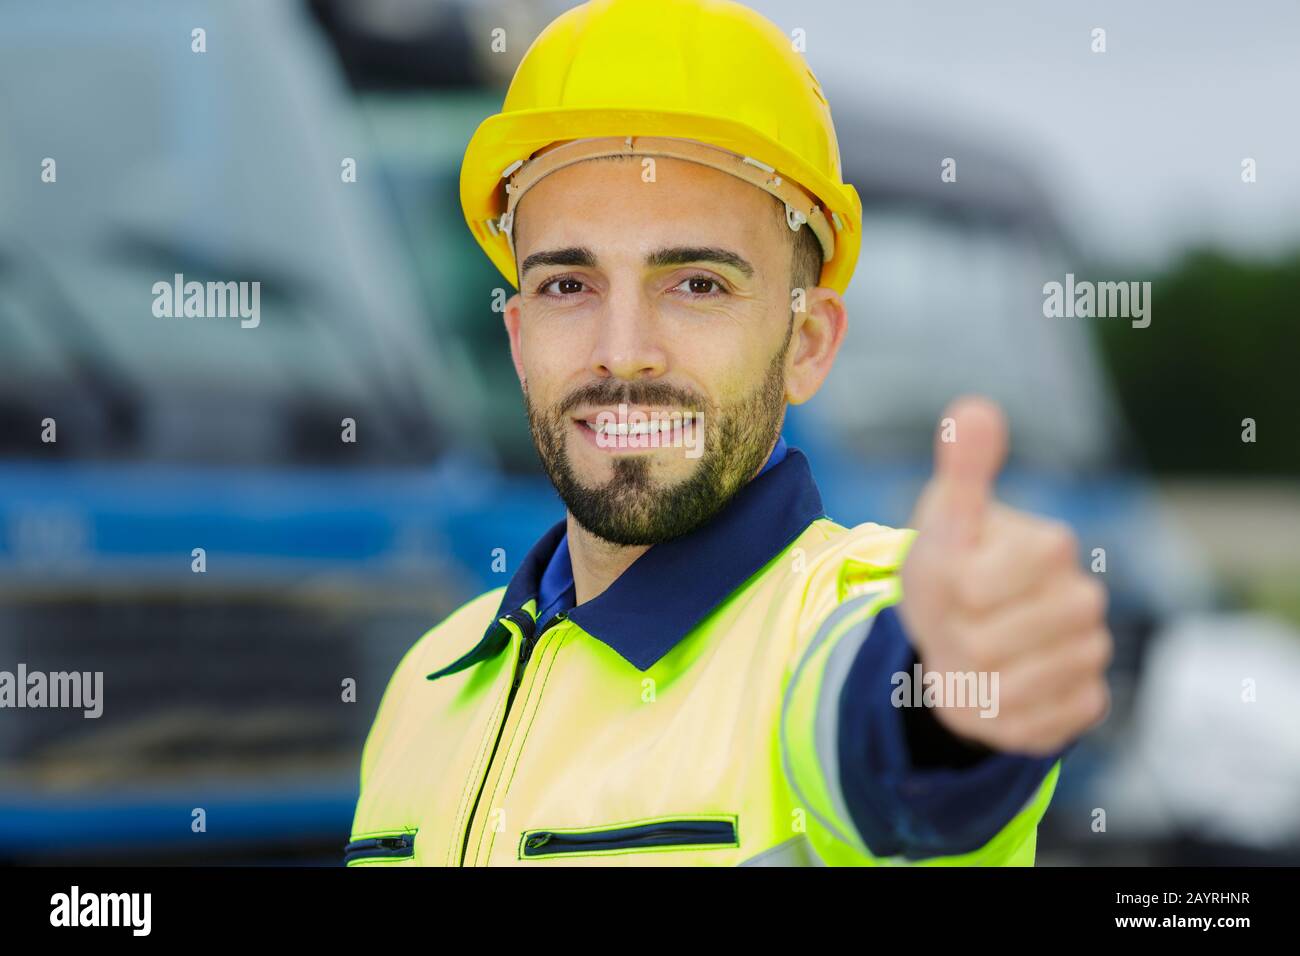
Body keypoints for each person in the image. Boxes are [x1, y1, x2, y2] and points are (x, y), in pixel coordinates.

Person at [346, 0, 1111, 867]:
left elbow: (885, 739)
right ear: (518, 340)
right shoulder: (429, 680)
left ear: (808, 344)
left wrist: (949, 695)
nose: (622, 355)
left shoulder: (841, 623)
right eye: (569, 286)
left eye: (697, 284)